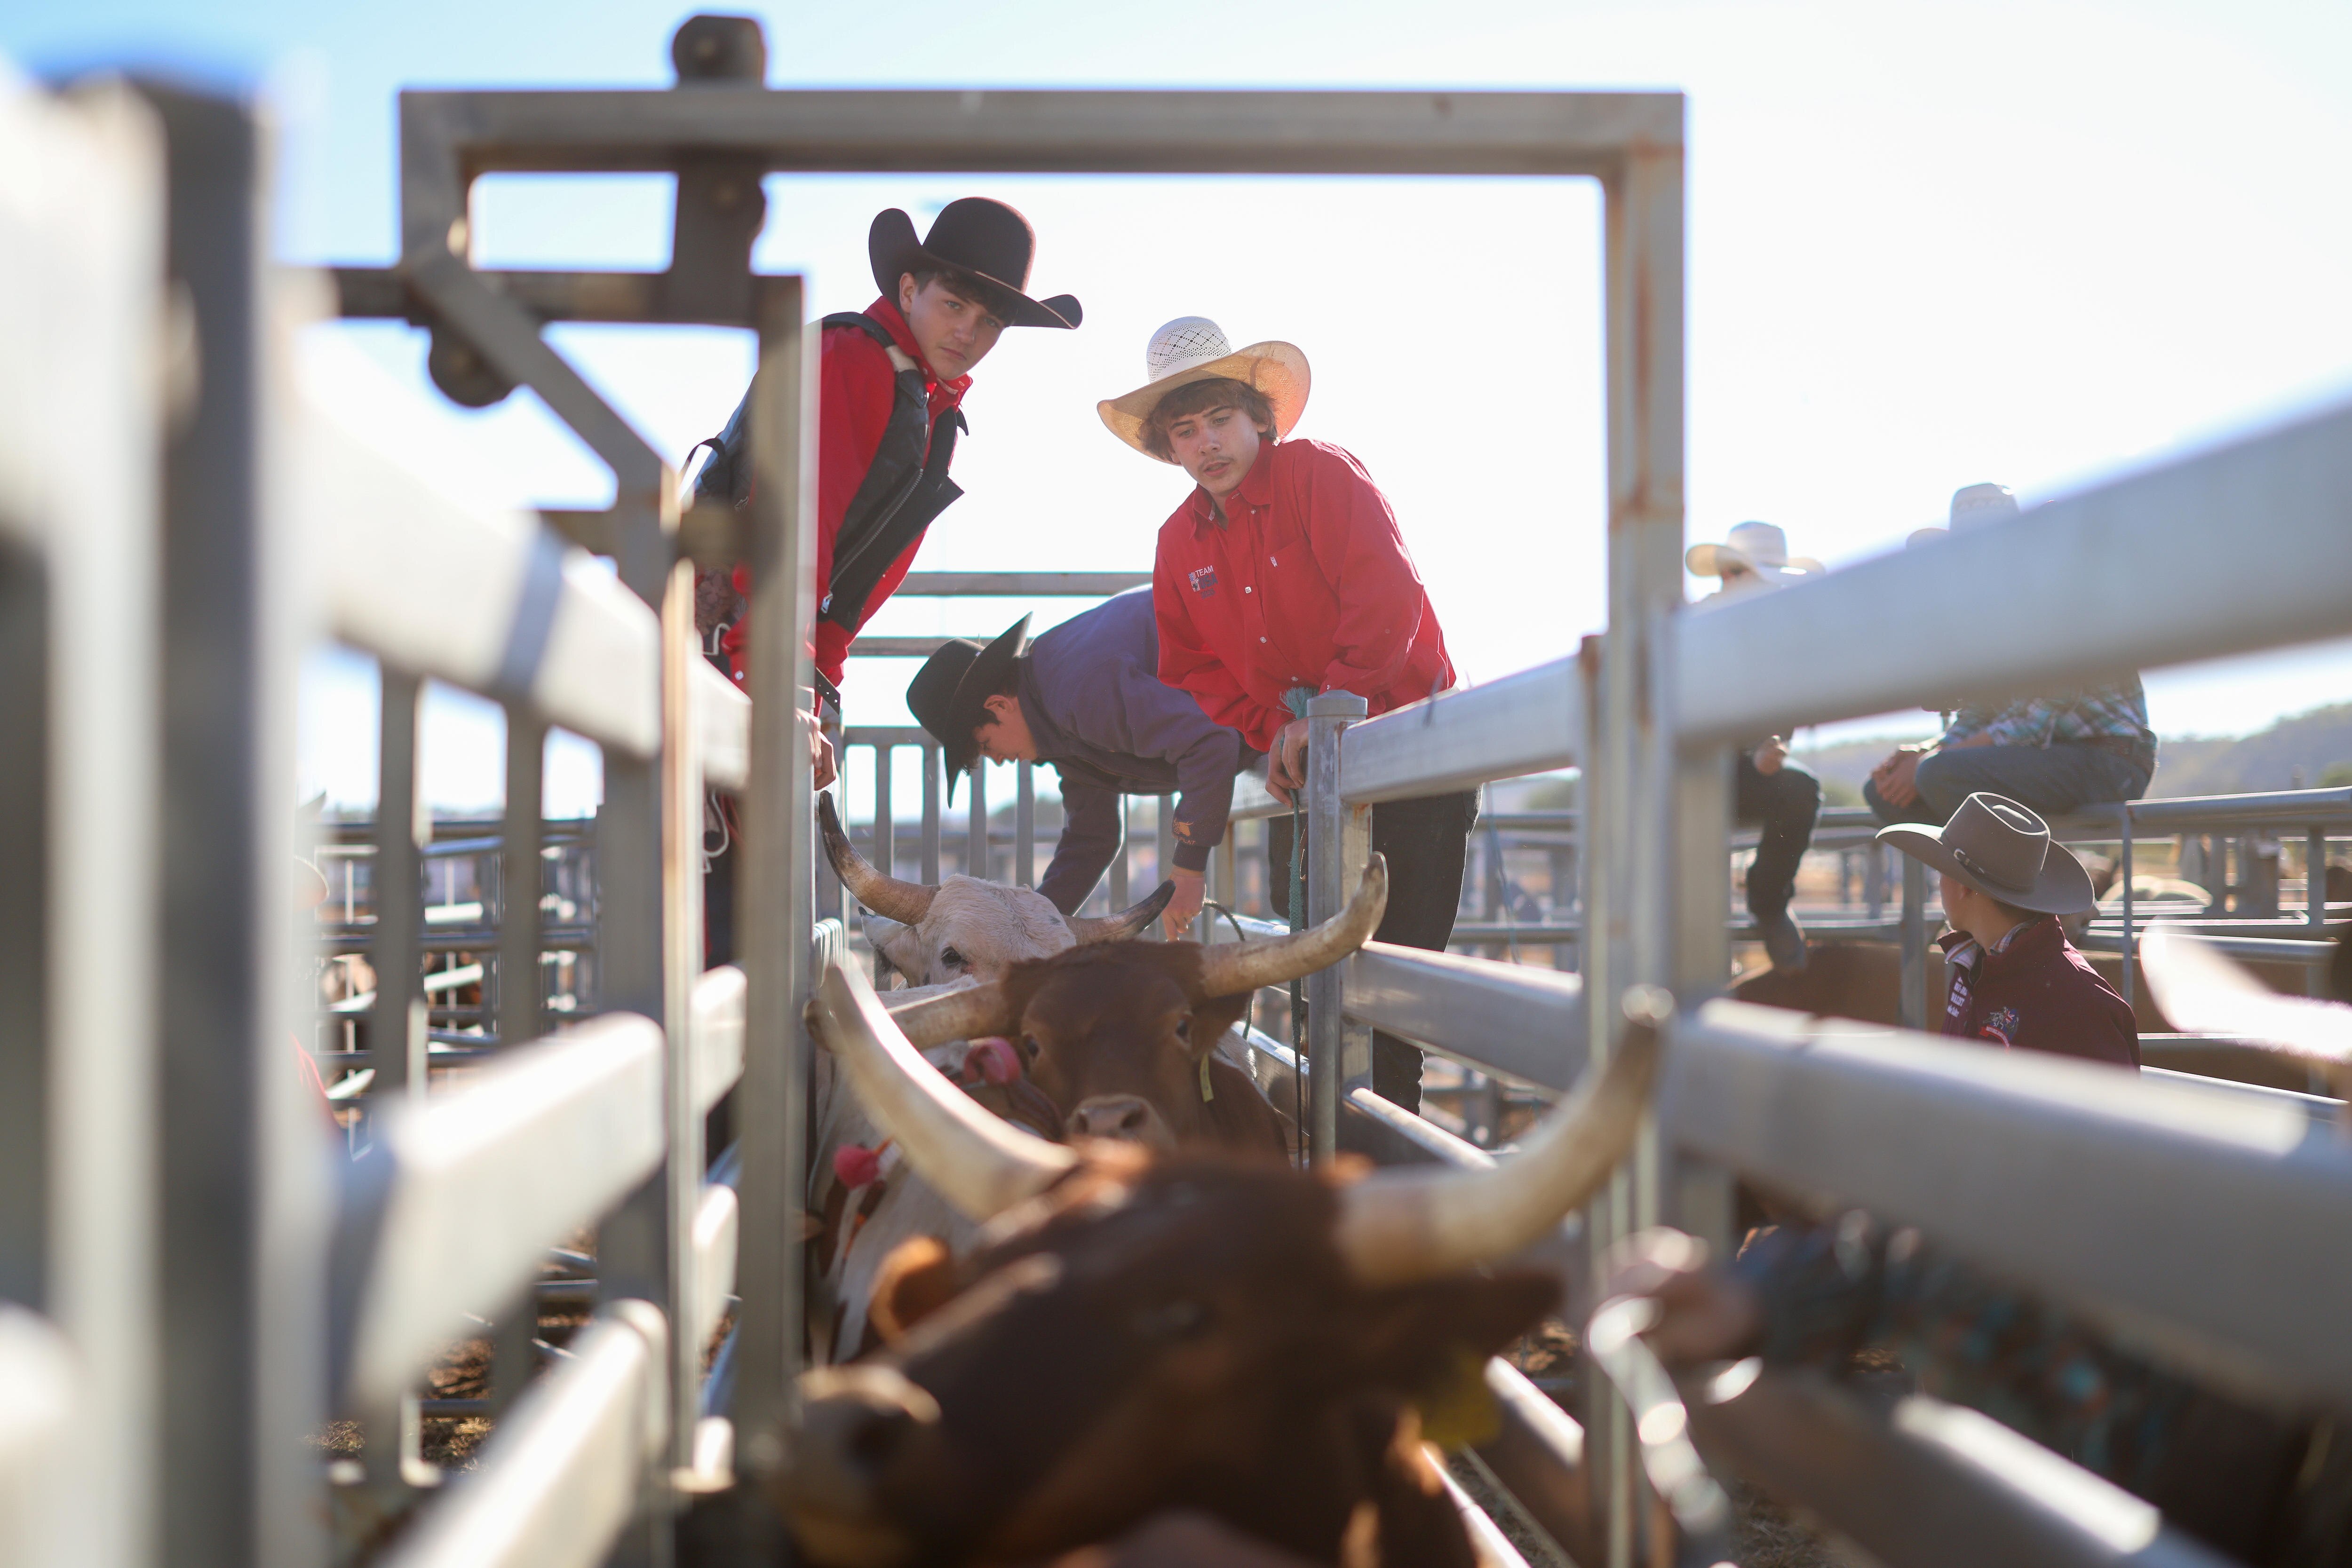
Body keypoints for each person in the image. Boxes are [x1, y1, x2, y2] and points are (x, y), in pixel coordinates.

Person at [1102, 317, 1470, 1111]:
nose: (1208, 445)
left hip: (1411, 742)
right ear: (1170, 449)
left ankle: (1385, 1172)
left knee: (1391, 988)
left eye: (1221, 421)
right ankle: (1340, 1159)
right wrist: (1276, 729)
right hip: (1309, 762)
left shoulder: (1320, 474)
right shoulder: (1178, 543)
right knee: (1314, 974)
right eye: (1186, 431)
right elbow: (1190, 666)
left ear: (1259, 419)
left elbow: (1388, 595)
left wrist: (1333, 705)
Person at [689, 197, 1083, 779]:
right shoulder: (856, 359)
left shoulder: (927, 405)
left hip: (748, 656)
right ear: (907, 291)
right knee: (710, 864)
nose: (967, 333)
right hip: (718, 650)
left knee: (758, 862)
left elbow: (847, 592)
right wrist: (780, 689)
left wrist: (816, 694)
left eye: (990, 322)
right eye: (953, 305)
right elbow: (793, 529)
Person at [905, 591, 1253, 935]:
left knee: (1298, 898)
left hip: (1278, 676)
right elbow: (1092, 838)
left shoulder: (1078, 694)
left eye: (984, 745)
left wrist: (1189, 870)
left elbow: (1208, 743)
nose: (997, 761)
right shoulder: (1056, 719)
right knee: (1289, 901)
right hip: (1261, 713)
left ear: (999, 706)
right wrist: (1026, 934)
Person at [1867, 483, 2157, 826]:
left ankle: (1990, 874)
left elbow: (2031, 724)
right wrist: (1927, 751)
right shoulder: (1997, 619)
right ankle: (1973, 874)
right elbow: (1982, 714)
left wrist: (1931, 760)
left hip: (2108, 760)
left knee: (1936, 774)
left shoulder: (2060, 599)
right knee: (1883, 791)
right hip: (2047, 755)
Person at [1878, 790, 2139, 1066]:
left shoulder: (2080, 1005)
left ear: (1964, 886)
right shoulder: (1978, 964)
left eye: (1943, 872)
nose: (1941, 884)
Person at [1687, 521, 1826, 971]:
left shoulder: (1780, 640)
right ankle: (1686, 931)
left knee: (1800, 788)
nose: (1728, 582)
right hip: (1685, 770)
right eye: (1729, 573)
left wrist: (1769, 751)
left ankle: (1768, 904)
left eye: (1737, 573)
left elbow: (1784, 718)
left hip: (1735, 773)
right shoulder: (1695, 628)